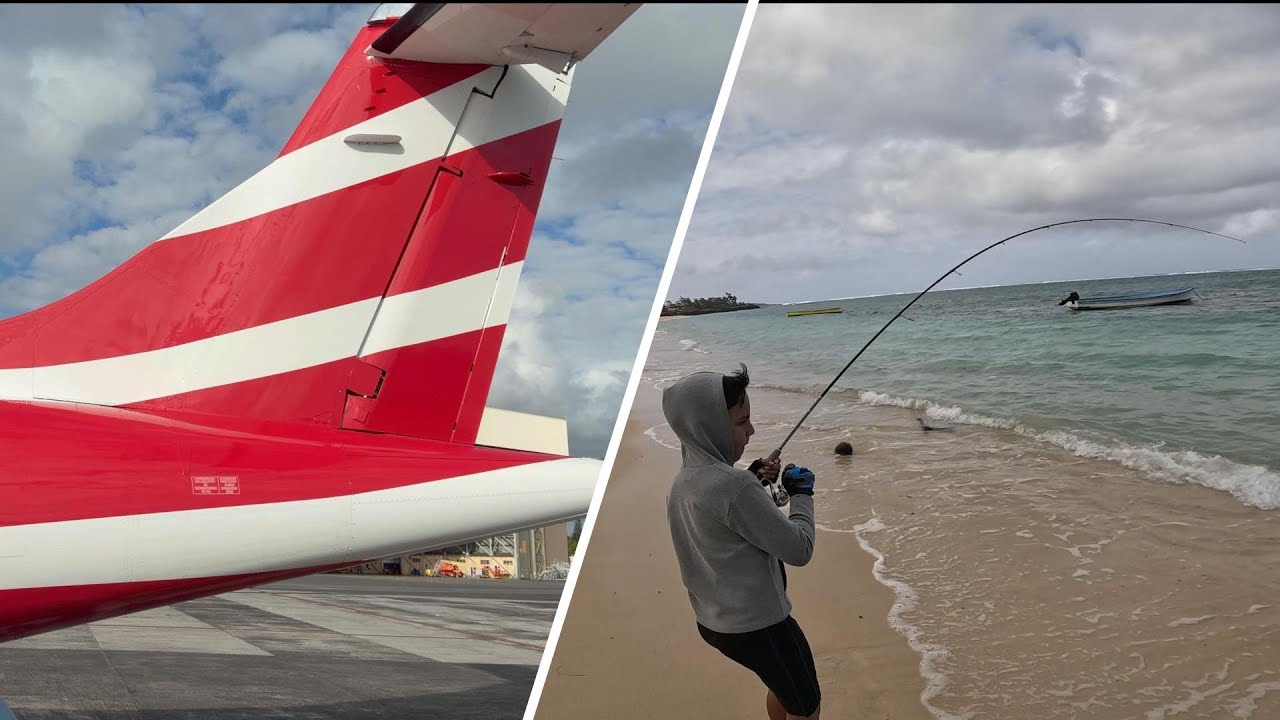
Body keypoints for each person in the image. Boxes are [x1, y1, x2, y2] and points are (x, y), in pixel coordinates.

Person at [663, 364, 821, 719]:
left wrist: (753, 476)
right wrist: (803, 494)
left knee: (781, 685)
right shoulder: (733, 486)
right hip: (759, 624)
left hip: (715, 622)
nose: (750, 430)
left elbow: (721, 514)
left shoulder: (683, 482)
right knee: (806, 705)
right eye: (740, 422)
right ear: (709, 425)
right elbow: (800, 549)